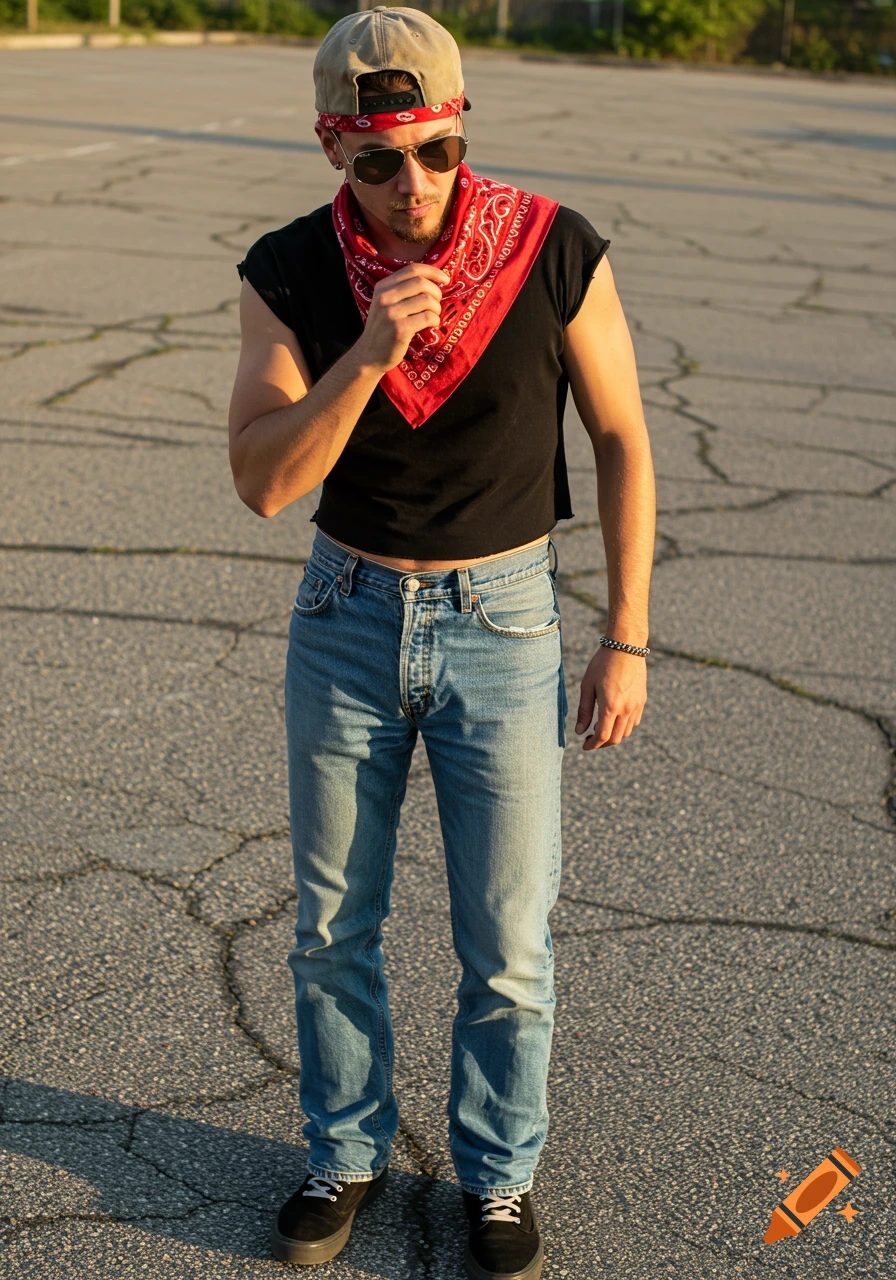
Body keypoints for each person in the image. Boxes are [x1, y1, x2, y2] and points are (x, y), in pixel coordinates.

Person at [228, 7, 655, 1277]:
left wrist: (624, 634)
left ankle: (497, 1175)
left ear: (461, 135)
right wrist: (367, 351)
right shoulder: (293, 272)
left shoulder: (549, 246)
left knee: (507, 943)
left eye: (435, 150)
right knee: (330, 926)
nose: (412, 185)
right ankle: (343, 1152)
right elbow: (260, 478)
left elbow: (622, 437)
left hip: (504, 619)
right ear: (332, 150)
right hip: (346, 618)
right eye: (377, 160)